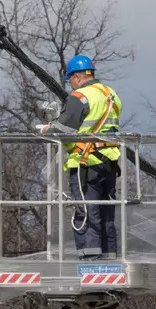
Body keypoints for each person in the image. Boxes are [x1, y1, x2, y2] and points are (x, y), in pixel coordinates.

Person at [39, 54, 122, 259]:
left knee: (87, 214)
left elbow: (62, 129)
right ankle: (109, 261)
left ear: (76, 77)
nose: (71, 85)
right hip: (109, 163)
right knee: (106, 214)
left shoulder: (81, 97)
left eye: (70, 80)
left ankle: (90, 264)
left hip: (86, 164)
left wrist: (45, 130)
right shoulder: (111, 95)